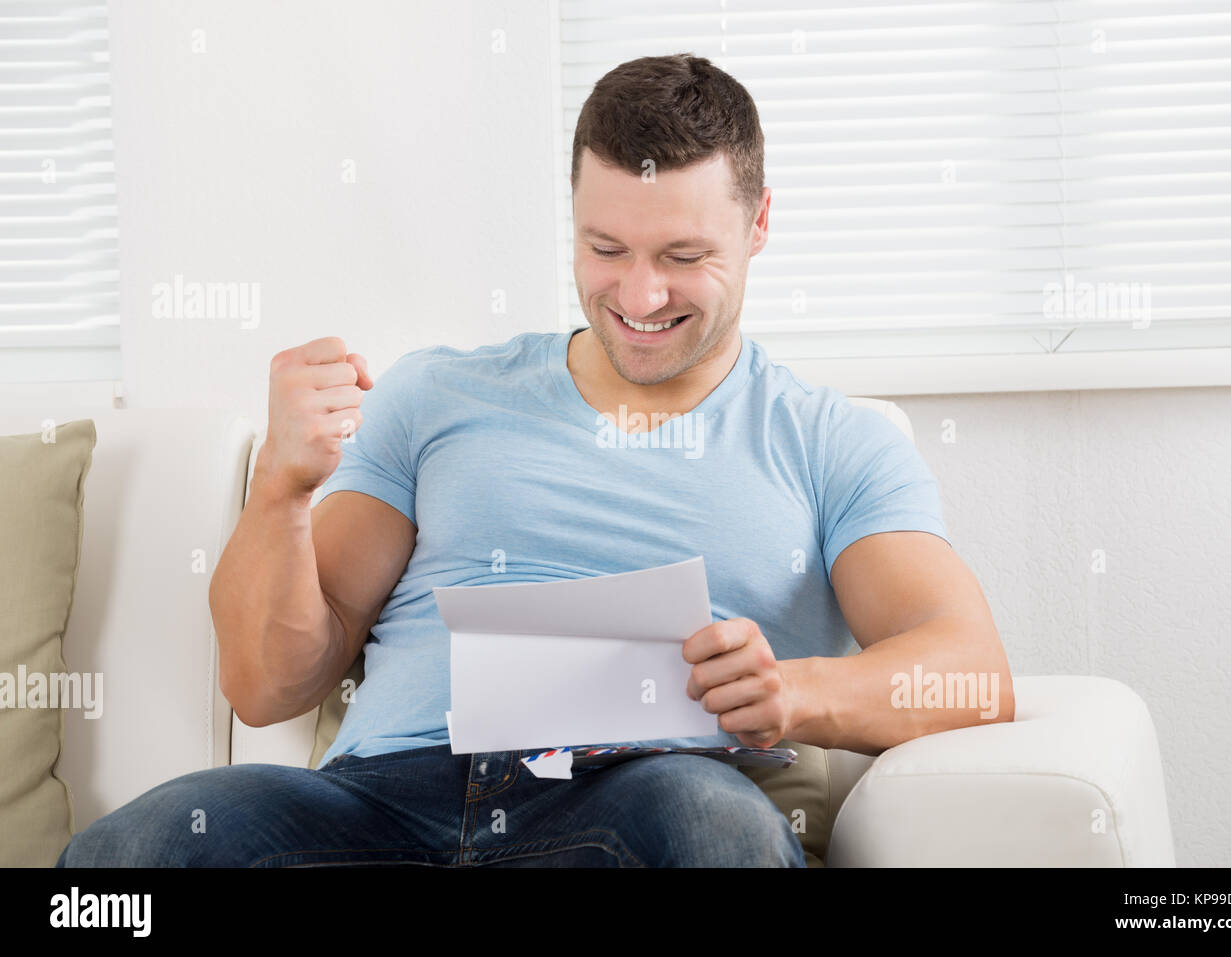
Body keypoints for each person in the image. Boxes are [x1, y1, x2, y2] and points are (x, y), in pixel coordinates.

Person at [58, 53, 1011, 868]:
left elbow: (971, 669)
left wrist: (797, 691)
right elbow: (268, 685)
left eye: (684, 255)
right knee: (135, 849)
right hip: (385, 799)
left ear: (759, 224)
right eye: (606, 248)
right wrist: (280, 489)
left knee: (715, 827)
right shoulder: (436, 395)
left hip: (634, 799)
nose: (640, 294)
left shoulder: (831, 440)